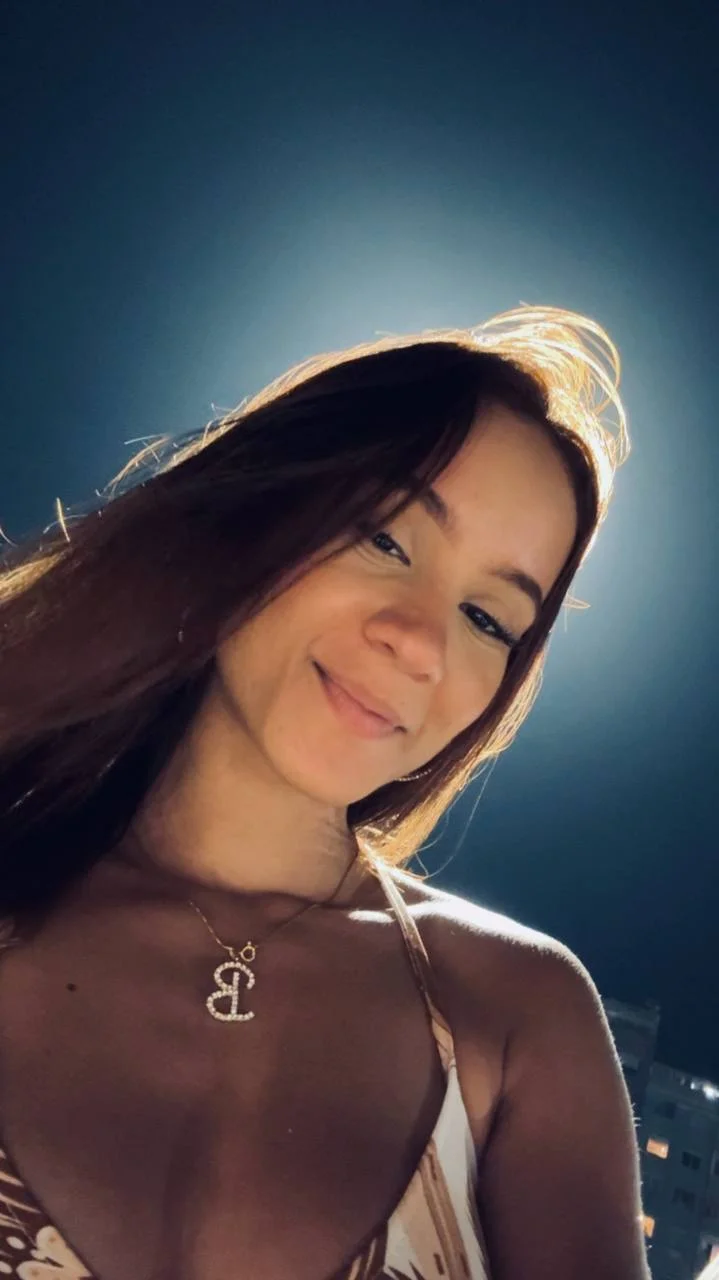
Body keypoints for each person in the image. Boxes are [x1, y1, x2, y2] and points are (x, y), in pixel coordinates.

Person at [0, 305, 650, 1280]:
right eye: (384, 539)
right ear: (254, 511)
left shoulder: (517, 1017)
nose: (420, 641)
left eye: (487, 617)